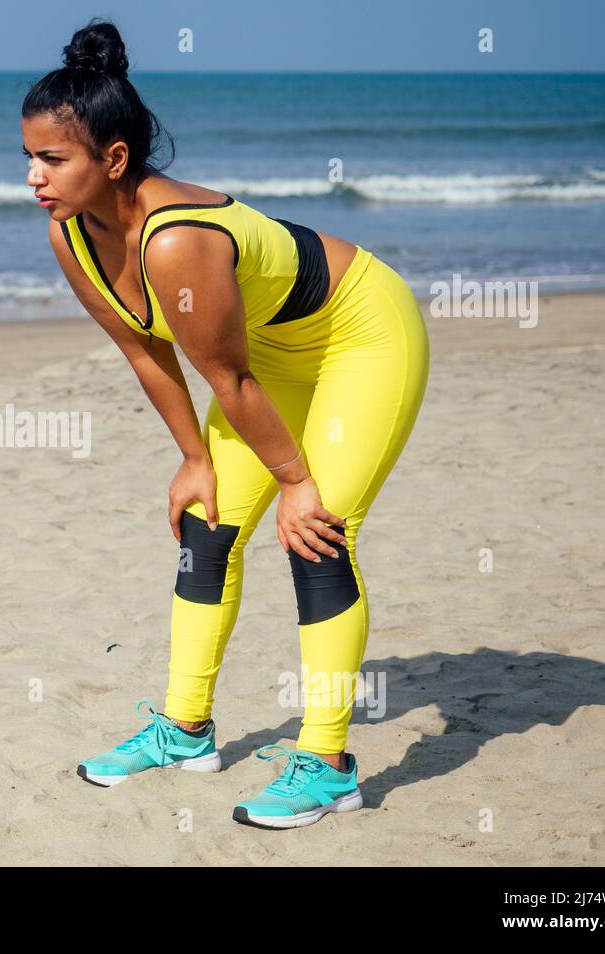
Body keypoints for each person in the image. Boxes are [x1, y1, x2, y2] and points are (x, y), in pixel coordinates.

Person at [21, 19, 430, 829]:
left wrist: (297, 482)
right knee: (206, 525)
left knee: (317, 533)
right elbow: (146, 351)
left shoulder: (178, 241)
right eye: (28, 156)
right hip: (266, 355)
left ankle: (328, 763)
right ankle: (185, 730)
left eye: (52, 159)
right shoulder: (70, 234)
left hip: (361, 334)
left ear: (112, 159)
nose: (33, 176)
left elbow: (226, 375)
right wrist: (192, 459)